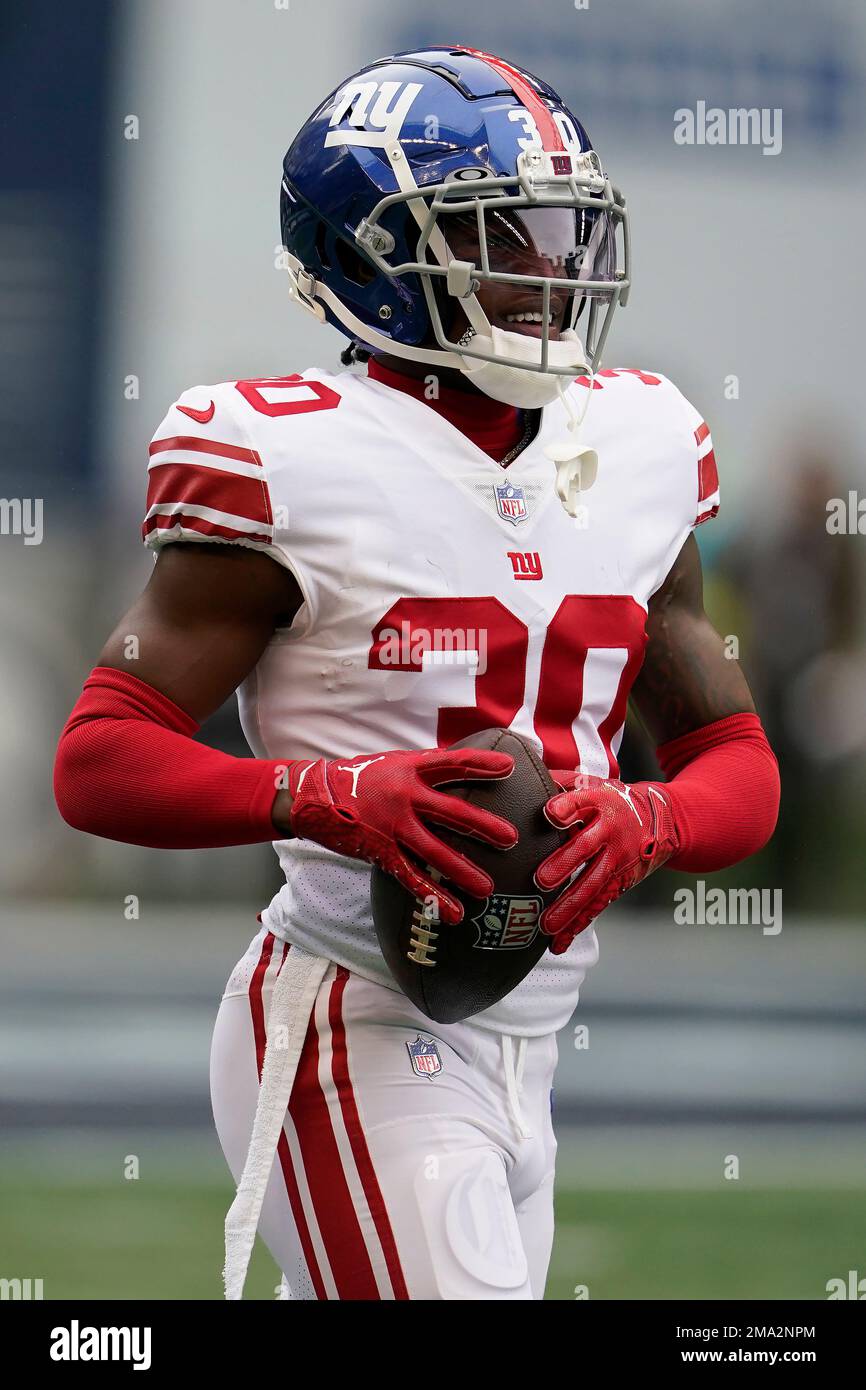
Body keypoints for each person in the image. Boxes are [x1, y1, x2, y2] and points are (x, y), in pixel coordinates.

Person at [54, 46, 779, 1300]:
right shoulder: (287, 460)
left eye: (559, 232)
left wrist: (650, 821)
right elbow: (99, 753)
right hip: (353, 1013)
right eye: (500, 236)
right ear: (368, 262)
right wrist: (325, 796)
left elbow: (736, 763)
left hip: (530, 1037)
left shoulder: (640, 442)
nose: (551, 271)